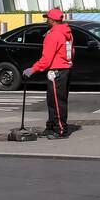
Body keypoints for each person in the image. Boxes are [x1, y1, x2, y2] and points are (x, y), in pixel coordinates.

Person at [23, 8, 74, 139]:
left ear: (52, 20)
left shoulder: (54, 35)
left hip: (57, 71)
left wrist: (32, 69)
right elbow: (72, 52)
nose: (46, 21)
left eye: (48, 19)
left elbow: (46, 59)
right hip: (65, 69)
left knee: (57, 102)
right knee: (54, 101)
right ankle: (51, 126)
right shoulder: (67, 33)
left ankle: (60, 130)